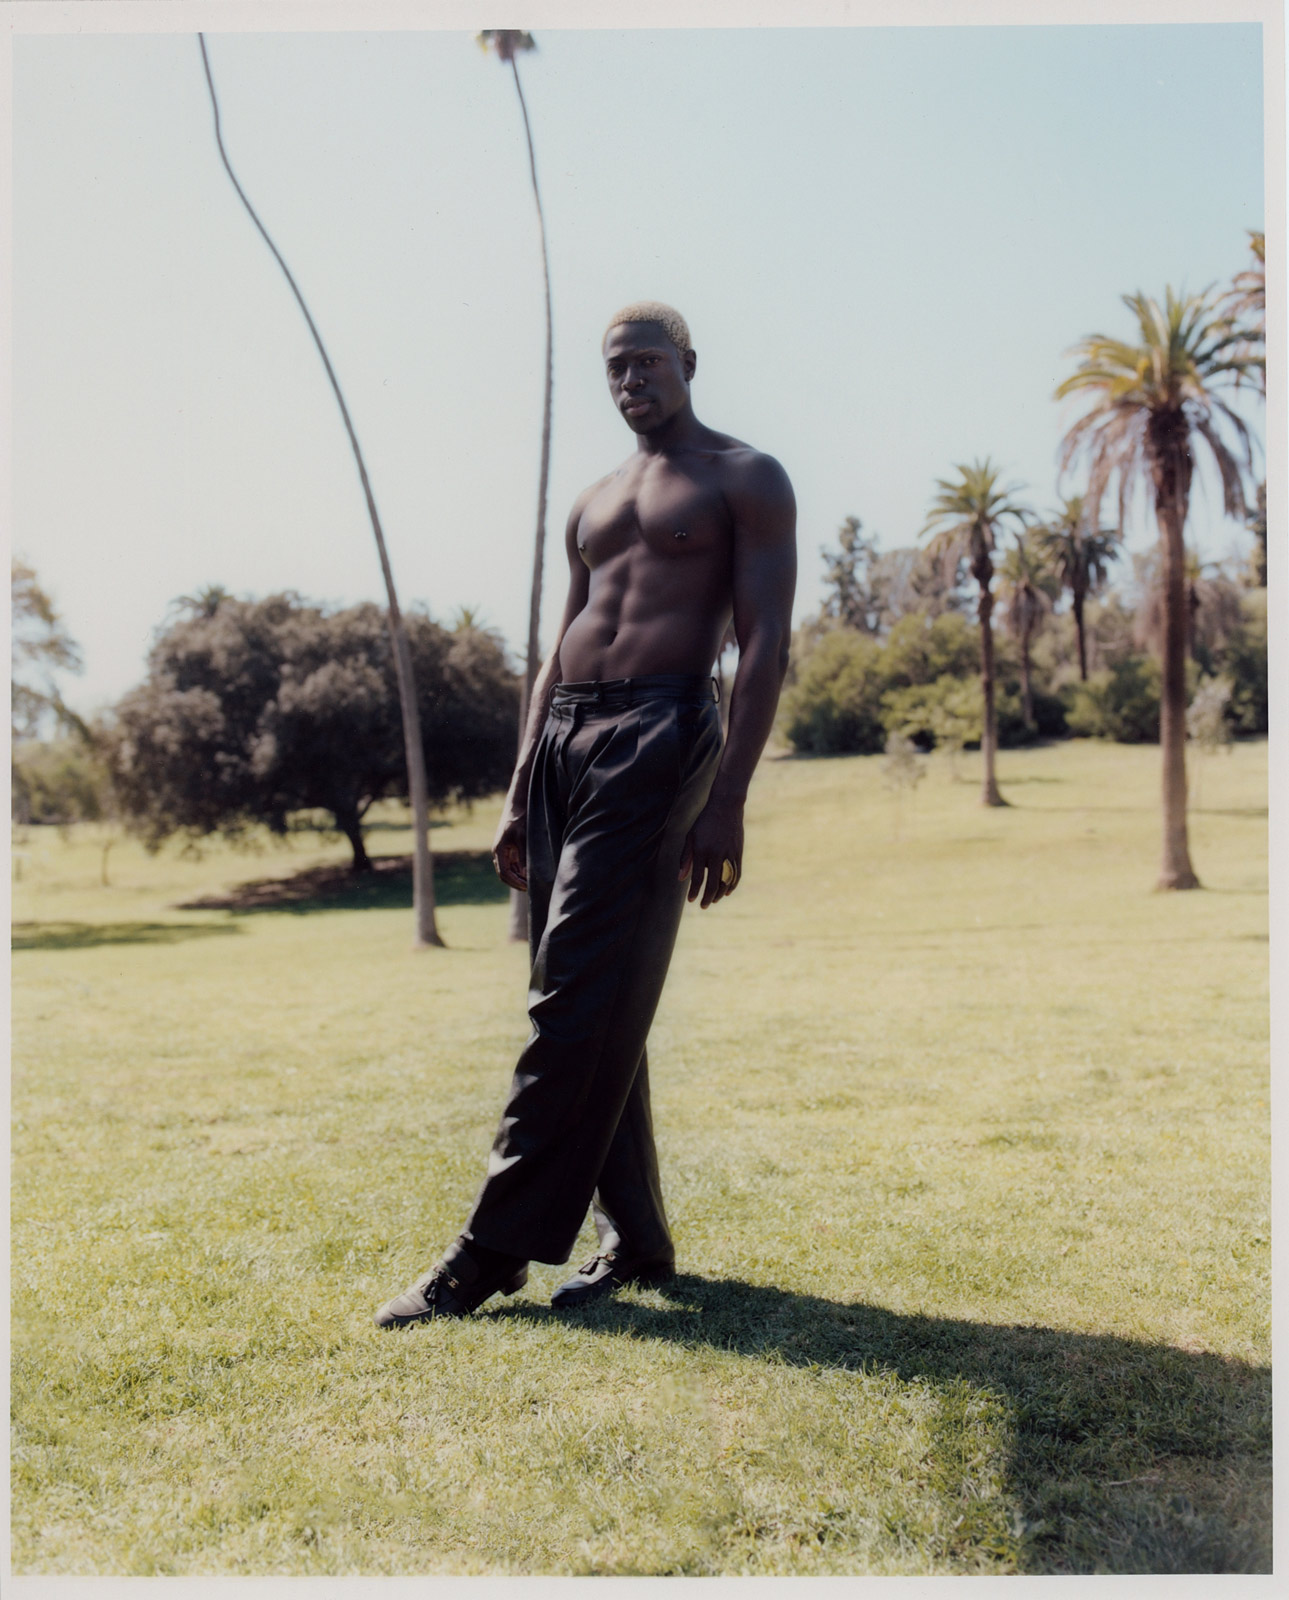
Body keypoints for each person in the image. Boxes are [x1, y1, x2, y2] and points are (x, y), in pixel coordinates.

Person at [375, 301, 796, 1327]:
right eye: (615, 369)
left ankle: (491, 1249)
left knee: (570, 993)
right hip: (566, 736)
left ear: (687, 363)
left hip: (660, 732)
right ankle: (637, 1235)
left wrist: (727, 799)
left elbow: (765, 641)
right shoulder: (593, 502)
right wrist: (522, 787)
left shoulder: (743, 477)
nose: (630, 382)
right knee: (586, 987)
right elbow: (557, 646)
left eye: (647, 363)